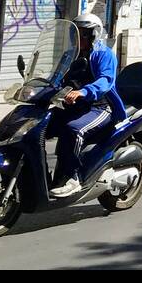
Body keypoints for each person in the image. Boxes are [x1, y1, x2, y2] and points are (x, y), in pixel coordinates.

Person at [49, 14, 124, 198]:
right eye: (76, 34)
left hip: (100, 107)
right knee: (37, 126)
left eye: (84, 34)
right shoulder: (70, 55)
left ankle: (73, 178)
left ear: (94, 35)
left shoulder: (103, 54)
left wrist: (83, 92)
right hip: (73, 106)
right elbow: (56, 77)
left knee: (74, 130)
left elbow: (105, 81)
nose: (79, 38)